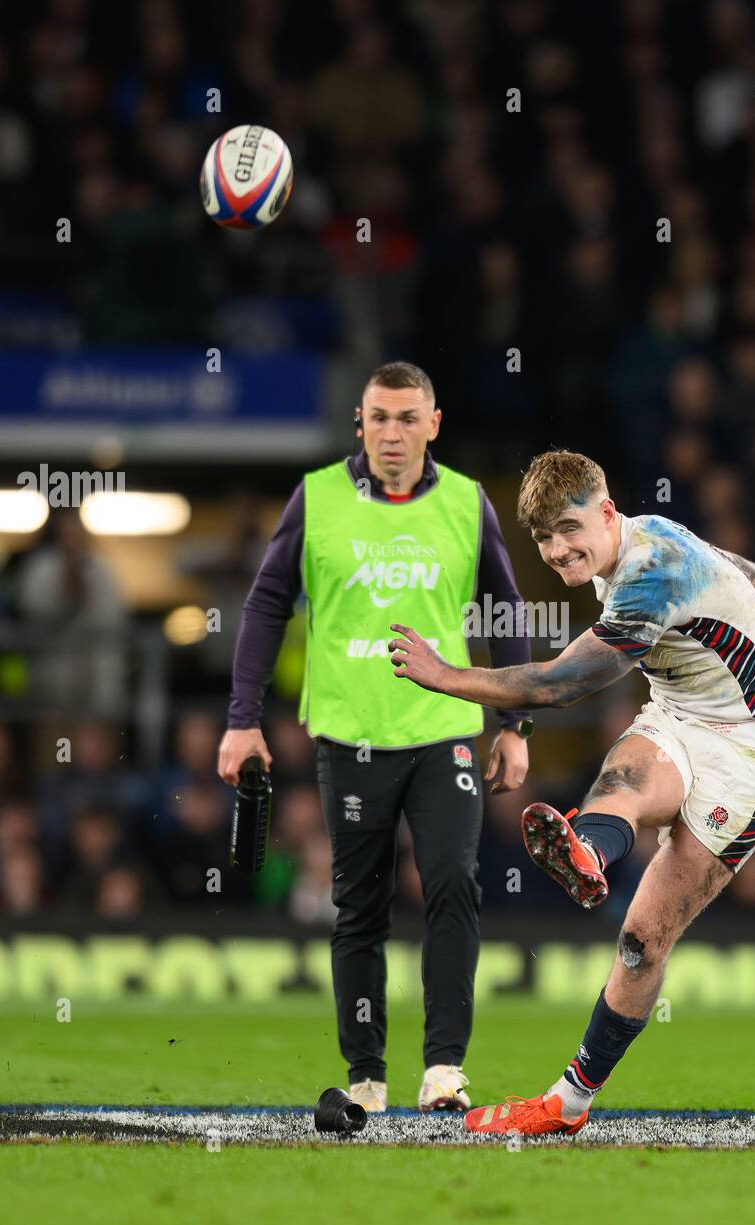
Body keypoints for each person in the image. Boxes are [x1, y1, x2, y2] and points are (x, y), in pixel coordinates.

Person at [388, 449, 755, 1135]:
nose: (559, 551)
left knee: (643, 941)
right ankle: (585, 850)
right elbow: (729, 562)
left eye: (568, 529)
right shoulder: (641, 536)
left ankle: (569, 1102)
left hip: (754, 756)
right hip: (682, 714)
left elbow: (558, 684)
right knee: (621, 778)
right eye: (543, 539)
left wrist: (445, 676)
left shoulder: (651, 575)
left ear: (607, 512)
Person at [218, 361, 532, 1113]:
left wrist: (514, 723)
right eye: (378, 418)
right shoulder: (318, 496)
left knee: (454, 883)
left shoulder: (466, 502)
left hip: (444, 730)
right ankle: (367, 1076)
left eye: (406, 417)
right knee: (360, 906)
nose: (392, 433)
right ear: (360, 424)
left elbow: (508, 607)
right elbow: (265, 603)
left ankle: (445, 1070)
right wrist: (241, 719)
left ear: (434, 423)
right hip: (350, 734)